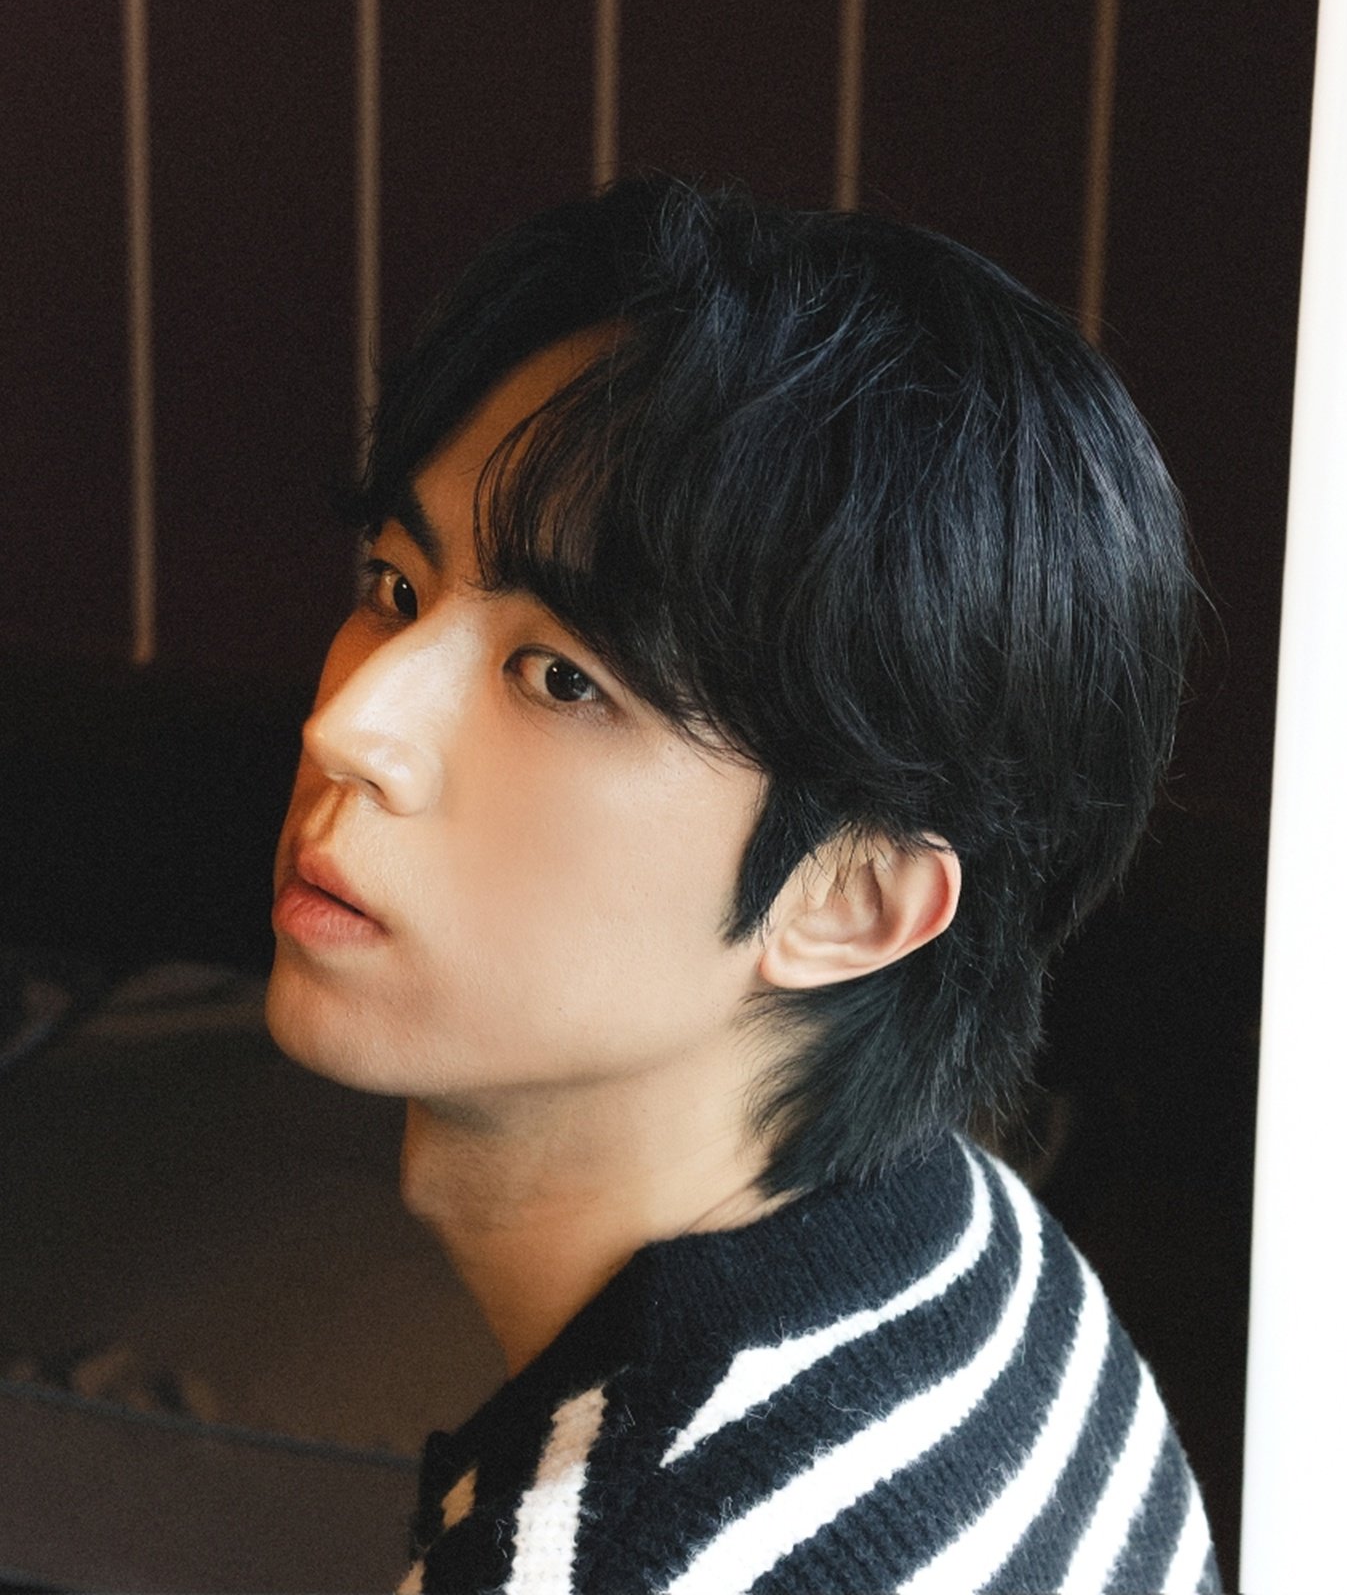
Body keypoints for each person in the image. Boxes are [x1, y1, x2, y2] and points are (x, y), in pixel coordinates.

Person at [266, 177, 1219, 1595]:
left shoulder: (614, 1560)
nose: (351, 727)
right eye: (397, 586)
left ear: (851, 900)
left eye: (561, 678)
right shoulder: (975, 1251)